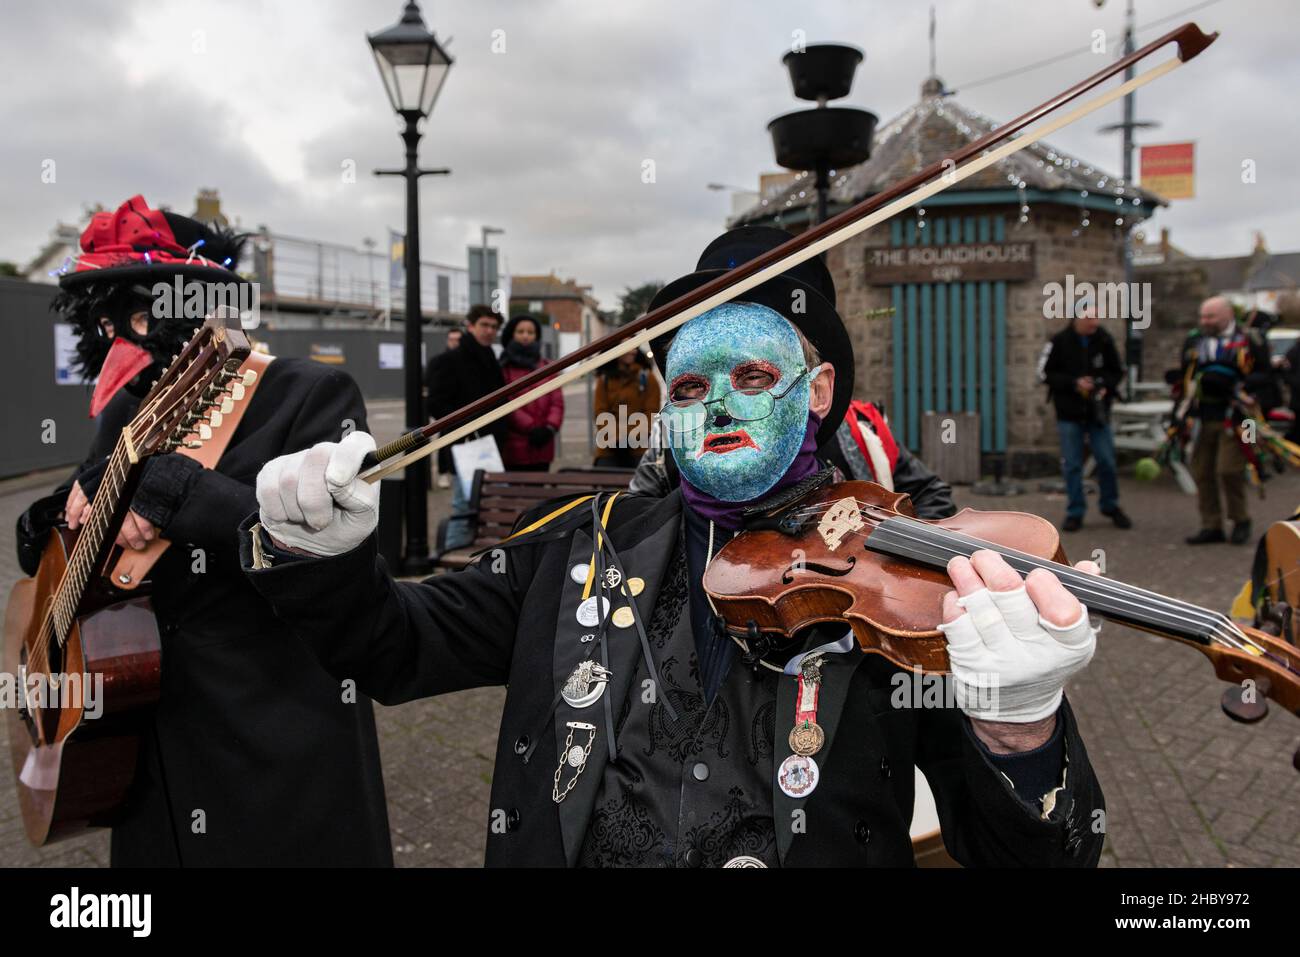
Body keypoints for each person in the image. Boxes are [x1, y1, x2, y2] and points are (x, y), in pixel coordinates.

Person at [242, 226, 1105, 868]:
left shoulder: (903, 586)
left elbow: (1036, 861)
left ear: (819, 392)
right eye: (691, 384)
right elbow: (392, 646)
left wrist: (1019, 732)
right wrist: (323, 551)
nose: (719, 405)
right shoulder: (577, 546)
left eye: (754, 377)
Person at [14, 195, 391, 866]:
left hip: (272, 742)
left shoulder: (307, 393)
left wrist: (176, 491)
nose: (118, 341)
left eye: (133, 316)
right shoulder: (127, 408)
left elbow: (328, 557)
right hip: (147, 744)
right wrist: (51, 517)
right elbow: (92, 509)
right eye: (106, 322)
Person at [1179, 296, 1273, 545]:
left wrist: (1237, 385)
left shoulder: (1250, 340)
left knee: (1229, 470)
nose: (1204, 321)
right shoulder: (1194, 340)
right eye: (1202, 316)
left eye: (1210, 316)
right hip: (1202, 417)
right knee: (1202, 471)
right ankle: (1212, 525)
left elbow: (1266, 375)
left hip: (1240, 418)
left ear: (1228, 314)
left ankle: (1240, 520)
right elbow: (1185, 375)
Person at [1037, 305, 1131, 532]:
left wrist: (1101, 384)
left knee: (1106, 460)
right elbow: (1044, 373)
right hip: (1069, 412)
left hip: (1098, 413)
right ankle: (1075, 511)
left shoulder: (1104, 339)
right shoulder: (1059, 341)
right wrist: (1074, 383)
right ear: (1076, 318)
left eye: (1097, 317)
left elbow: (1117, 371)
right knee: (1072, 465)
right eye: (1090, 317)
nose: (1094, 322)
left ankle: (1110, 505)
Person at [426, 305, 506, 548]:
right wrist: (469, 426)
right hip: (465, 444)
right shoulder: (449, 360)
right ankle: (452, 561)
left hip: (489, 443)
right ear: (470, 326)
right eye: (484, 325)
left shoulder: (491, 359)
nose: (489, 331)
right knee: (464, 506)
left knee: (487, 503)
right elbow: (437, 404)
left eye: (494, 327)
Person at [498, 314, 563, 471]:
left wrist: (549, 428)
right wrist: (531, 428)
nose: (526, 336)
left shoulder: (548, 367)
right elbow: (507, 403)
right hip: (514, 446)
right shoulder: (503, 369)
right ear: (511, 335)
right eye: (520, 332)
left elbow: (557, 402)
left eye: (530, 332)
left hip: (543, 445)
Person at [593, 347, 661, 469]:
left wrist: (629, 438)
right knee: (606, 481)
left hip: (639, 448)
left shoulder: (646, 377)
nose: (633, 351)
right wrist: (615, 439)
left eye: (634, 347)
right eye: (627, 347)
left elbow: (651, 412)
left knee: (642, 483)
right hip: (609, 448)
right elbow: (600, 412)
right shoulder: (604, 379)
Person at [426, 327, 462, 488]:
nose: (455, 342)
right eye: (452, 339)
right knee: (444, 441)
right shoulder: (438, 360)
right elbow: (427, 382)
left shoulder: (466, 361)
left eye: (458, 339)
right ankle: (443, 472)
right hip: (445, 410)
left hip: (462, 407)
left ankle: (457, 472)